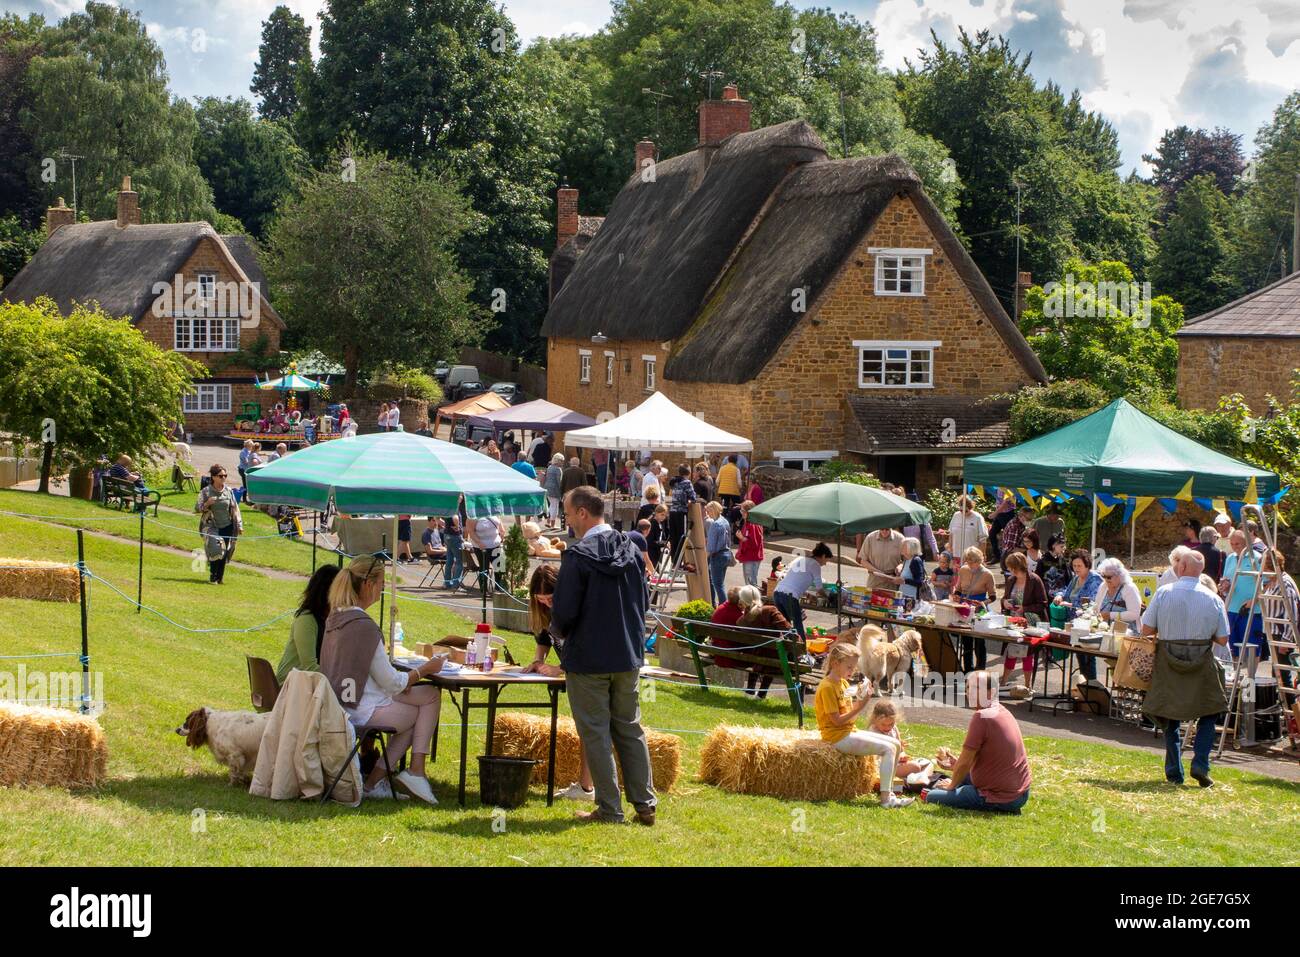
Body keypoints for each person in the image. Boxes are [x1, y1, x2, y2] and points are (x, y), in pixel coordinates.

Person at [550, 487, 656, 825]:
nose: (566, 521)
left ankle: (611, 809)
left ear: (583, 512)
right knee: (629, 728)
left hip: (589, 659)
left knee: (596, 732)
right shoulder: (633, 550)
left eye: (567, 514)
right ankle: (645, 803)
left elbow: (564, 614)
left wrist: (558, 630)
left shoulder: (578, 556)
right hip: (626, 655)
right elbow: (645, 604)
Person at [319, 556, 445, 802]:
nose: (383, 588)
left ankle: (396, 776)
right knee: (420, 713)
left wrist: (408, 681)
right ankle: (402, 774)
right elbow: (391, 682)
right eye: (380, 583)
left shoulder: (335, 618)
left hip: (340, 704)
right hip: (361, 708)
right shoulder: (363, 625)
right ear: (367, 585)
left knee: (430, 695)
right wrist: (426, 669)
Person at [1140, 549, 1230, 788]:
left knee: (1170, 715)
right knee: (1211, 711)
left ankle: (1174, 772)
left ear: (1181, 568)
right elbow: (1222, 639)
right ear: (1201, 572)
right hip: (1201, 658)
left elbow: (1146, 630)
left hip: (1168, 659)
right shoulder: (1214, 599)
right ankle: (1200, 763)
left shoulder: (1163, 593)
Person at [814, 642, 911, 808]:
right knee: (888, 749)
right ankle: (886, 799)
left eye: (853, 667)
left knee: (895, 744)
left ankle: (891, 793)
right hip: (837, 737)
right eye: (849, 667)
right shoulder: (827, 687)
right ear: (835, 664)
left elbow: (849, 717)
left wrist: (860, 697)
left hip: (847, 731)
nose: (853, 671)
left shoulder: (842, 683)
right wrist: (861, 705)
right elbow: (837, 720)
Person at [922, 671, 1031, 813]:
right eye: (968, 688)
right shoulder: (1001, 710)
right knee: (952, 782)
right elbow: (982, 759)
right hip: (1019, 792)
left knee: (931, 795)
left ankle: (956, 788)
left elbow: (966, 762)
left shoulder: (982, 716)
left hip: (1003, 797)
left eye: (976, 688)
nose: (969, 692)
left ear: (990, 692)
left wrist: (951, 786)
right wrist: (956, 765)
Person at [275, 565, 342, 684]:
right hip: (290, 687)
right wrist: (340, 679)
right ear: (328, 592)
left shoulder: (330, 619)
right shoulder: (306, 620)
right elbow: (309, 666)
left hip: (308, 685)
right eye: (342, 590)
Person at [1052, 548, 1104, 679]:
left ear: (1087, 565)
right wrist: (1059, 596)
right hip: (1073, 624)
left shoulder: (1095, 579)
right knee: (1080, 657)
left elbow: (1092, 603)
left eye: (1079, 566)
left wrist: (1070, 605)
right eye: (1074, 566)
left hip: (1088, 625)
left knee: (1087, 658)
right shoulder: (1075, 579)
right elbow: (1066, 592)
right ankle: (1082, 689)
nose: (1076, 568)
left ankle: (1091, 689)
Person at [1000, 551, 1047, 693]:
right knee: (1011, 652)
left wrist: (1024, 608)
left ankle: (1028, 685)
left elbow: (1043, 603)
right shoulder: (1011, 580)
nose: (1008, 570)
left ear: (1016, 567)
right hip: (1013, 622)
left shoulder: (1034, 580)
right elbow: (1004, 598)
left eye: (1010, 567)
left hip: (1030, 623)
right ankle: (1004, 681)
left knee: (1027, 653)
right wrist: (1004, 603)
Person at [1221, 529, 1265, 661]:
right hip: (1231, 609)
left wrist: (1254, 600)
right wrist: (1224, 587)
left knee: (1252, 649)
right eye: (1232, 544)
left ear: (1246, 543)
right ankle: (1235, 677)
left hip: (1251, 611)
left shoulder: (1257, 558)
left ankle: (1251, 678)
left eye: (1237, 544)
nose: (1234, 547)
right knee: (1232, 648)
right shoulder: (1229, 558)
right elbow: (1226, 579)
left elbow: (1268, 584)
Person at [772, 543, 832, 639]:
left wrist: (807, 595)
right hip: (789, 596)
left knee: (785, 626)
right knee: (797, 625)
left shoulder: (801, 560)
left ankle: (790, 650)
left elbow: (795, 581)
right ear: (823, 556)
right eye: (826, 560)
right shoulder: (815, 564)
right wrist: (828, 598)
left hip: (777, 592)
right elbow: (819, 589)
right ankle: (802, 650)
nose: (825, 564)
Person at [196, 464, 242, 584]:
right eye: (221, 476)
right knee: (217, 550)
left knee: (225, 552)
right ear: (213, 477)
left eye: (225, 476)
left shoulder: (228, 491)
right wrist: (207, 503)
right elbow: (197, 508)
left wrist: (240, 525)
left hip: (228, 525)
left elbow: (235, 508)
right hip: (211, 526)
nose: (223, 478)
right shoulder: (206, 491)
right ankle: (213, 576)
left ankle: (219, 578)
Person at [954, 546, 997, 671]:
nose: (970, 565)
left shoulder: (987, 574)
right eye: (968, 562)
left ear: (979, 560)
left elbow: (993, 596)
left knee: (979, 642)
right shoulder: (963, 570)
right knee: (966, 640)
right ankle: (968, 670)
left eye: (973, 562)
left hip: (979, 609)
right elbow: (958, 589)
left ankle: (980, 669)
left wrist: (983, 602)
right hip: (964, 607)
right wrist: (956, 596)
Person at [867, 700, 931, 780]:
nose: (888, 727)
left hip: (896, 763)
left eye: (891, 724)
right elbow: (877, 757)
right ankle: (919, 778)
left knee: (928, 763)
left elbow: (900, 751)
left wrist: (902, 756)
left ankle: (919, 777)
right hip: (883, 767)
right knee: (916, 767)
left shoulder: (894, 729)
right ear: (875, 719)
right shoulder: (873, 732)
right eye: (883, 724)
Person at [1095, 557, 1142, 633]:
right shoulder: (1103, 586)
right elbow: (1096, 607)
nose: (1106, 579)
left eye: (1109, 577)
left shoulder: (1129, 588)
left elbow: (1134, 614)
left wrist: (1110, 615)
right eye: (1104, 576)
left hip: (1128, 634)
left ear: (1119, 575)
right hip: (1105, 632)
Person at [858, 526, 905, 593]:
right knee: (872, 602)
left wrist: (900, 567)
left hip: (893, 582)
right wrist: (879, 573)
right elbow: (863, 561)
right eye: (882, 529)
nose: (884, 531)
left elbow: (906, 560)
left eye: (887, 529)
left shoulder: (900, 539)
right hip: (874, 581)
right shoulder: (870, 537)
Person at [704, 501, 733, 606]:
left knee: (718, 585)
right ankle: (723, 606)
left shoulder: (715, 524)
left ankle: (723, 607)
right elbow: (730, 539)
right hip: (726, 554)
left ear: (713, 510)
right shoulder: (725, 521)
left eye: (708, 511)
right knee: (721, 584)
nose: (707, 514)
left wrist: (703, 560)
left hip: (717, 556)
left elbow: (711, 547)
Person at [468, 512, 505, 591]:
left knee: (500, 567)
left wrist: (502, 534)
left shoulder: (493, 512)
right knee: (484, 568)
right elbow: (471, 532)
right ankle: (483, 589)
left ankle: (499, 588)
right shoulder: (473, 515)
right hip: (482, 547)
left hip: (496, 545)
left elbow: (499, 525)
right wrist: (479, 543)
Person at [667, 465, 697, 560]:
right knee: (681, 536)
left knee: (673, 536)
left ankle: (673, 559)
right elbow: (693, 498)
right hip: (681, 512)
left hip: (672, 511)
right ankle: (680, 560)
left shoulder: (674, 481)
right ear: (689, 473)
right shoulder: (687, 482)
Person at [735, 500, 765, 587]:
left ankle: (752, 600)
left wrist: (742, 538)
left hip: (752, 557)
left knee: (751, 584)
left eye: (743, 511)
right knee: (750, 583)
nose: (741, 513)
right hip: (750, 557)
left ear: (749, 512)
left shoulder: (753, 524)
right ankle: (751, 599)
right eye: (741, 511)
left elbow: (755, 543)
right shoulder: (749, 522)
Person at [999, 506, 1034, 572]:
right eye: (1028, 519)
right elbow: (1011, 548)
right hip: (1010, 560)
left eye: (1031, 519)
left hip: (1015, 558)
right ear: (1021, 516)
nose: (1029, 521)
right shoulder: (1015, 526)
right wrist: (1028, 551)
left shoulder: (1021, 524)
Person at [898, 537, 927, 601]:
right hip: (904, 596)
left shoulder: (915, 560)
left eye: (904, 545)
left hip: (912, 598)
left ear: (910, 548)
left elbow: (919, 582)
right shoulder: (906, 560)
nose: (901, 547)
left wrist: (904, 581)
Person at [442, 514, 464, 589]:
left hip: (447, 535)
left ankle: (447, 583)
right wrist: (457, 527)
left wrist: (446, 525)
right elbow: (455, 516)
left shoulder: (447, 507)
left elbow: (436, 517)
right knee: (459, 561)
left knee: (449, 560)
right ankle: (456, 585)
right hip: (454, 536)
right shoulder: (455, 506)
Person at [543, 453, 565, 526]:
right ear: (558, 461)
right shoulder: (558, 469)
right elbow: (559, 482)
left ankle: (548, 521)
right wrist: (562, 491)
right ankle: (553, 524)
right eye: (562, 461)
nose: (562, 462)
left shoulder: (549, 467)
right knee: (555, 506)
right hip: (554, 489)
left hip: (547, 488)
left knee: (551, 505)